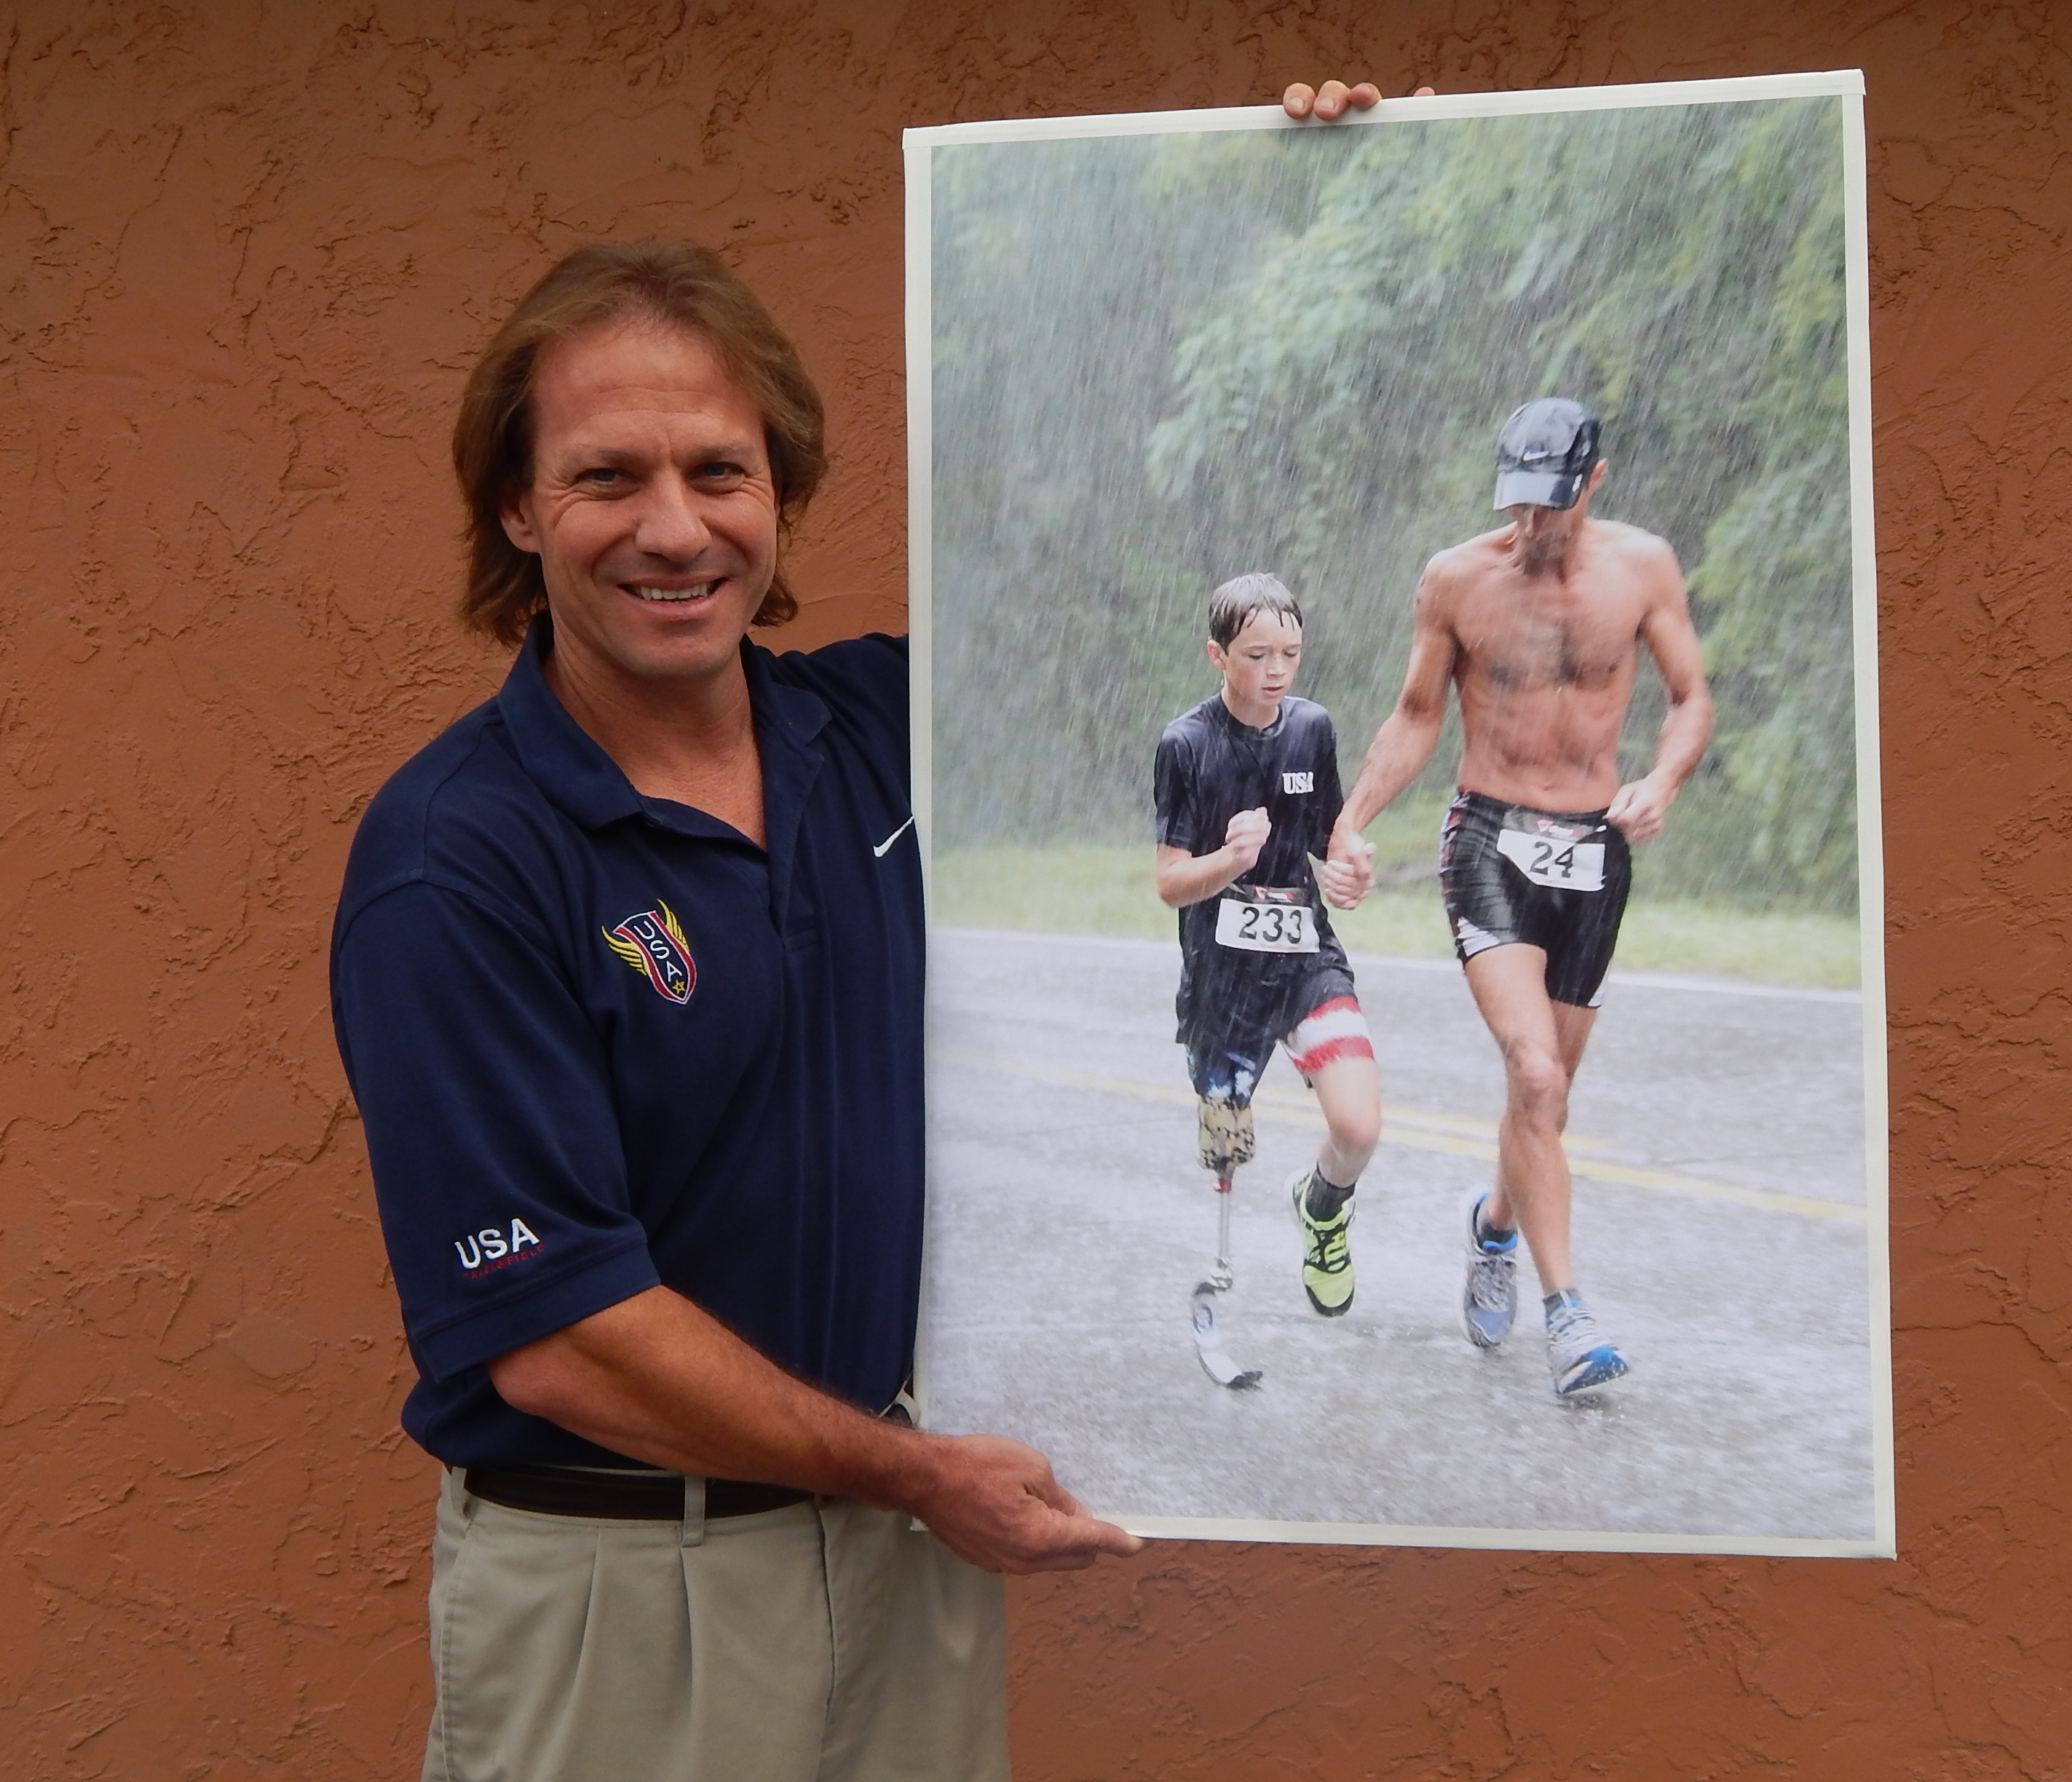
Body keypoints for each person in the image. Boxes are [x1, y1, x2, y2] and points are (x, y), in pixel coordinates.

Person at [328, 242, 1147, 1782]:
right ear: (518, 505)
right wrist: (916, 1474)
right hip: (630, 1599)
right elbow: (566, 1345)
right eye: (606, 477)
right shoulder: (457, 860)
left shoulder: (887, 736)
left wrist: (1340, 180)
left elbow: (1252, 617)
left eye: (720, 470)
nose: (674, 529)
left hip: (909, 1569)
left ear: (781, 495)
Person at [1326, 397, 1715, 1399]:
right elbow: (1416, 714)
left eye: (1553, 504)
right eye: (1519, 505)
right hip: (1490, 837)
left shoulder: (1643, 569)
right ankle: (1571, 1318)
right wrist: (1351, 820)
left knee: (1549, 1100)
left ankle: (1493, 1227)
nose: (1534, 525)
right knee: (1533, 1075)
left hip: (1594, 849)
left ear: (1594, 482)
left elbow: (1691, 700)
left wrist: (1660, 783)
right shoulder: (1458, 579)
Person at [1152, 574, 1380, 1318]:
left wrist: (1349, 865)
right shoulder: (1185, 745)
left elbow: (1328, 834)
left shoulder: (1311, 728)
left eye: (1291, 652)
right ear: (1216, 655)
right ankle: (1219, 1275)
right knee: (1226, 1147)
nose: (1277, 671)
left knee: (1358, 1125)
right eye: (1257, 654)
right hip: (1221, 980)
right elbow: (1170, 883)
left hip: (1305, 959)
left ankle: (1323, 1210)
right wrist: (1229, 862)